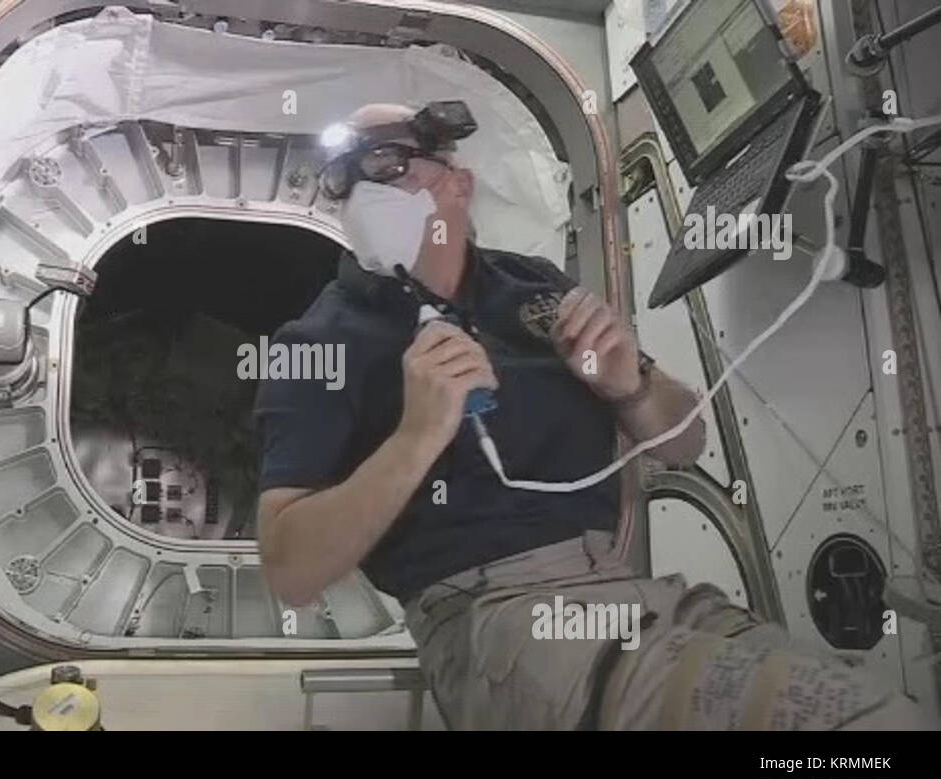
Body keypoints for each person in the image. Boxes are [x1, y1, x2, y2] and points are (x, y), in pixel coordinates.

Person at [252, 102, 935, 730]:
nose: (365, 193)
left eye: (388, 163)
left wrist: (628, 384)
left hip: (630, 590)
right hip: (496, 620)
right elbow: (289, 568)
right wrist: (415, 437)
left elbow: (683, 442)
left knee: (882, 708)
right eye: (345, 180)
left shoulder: (536, 285)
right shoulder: (318, 342)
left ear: (457, 181)